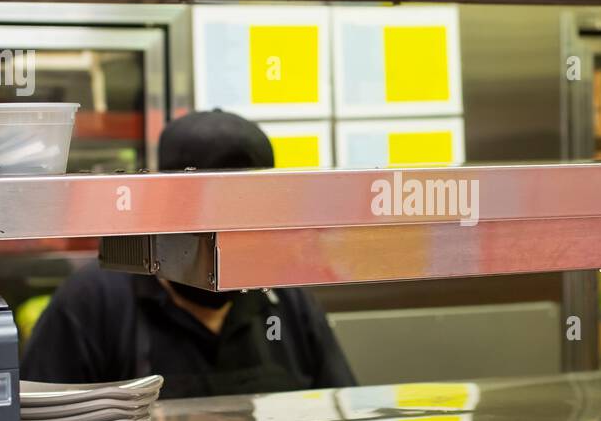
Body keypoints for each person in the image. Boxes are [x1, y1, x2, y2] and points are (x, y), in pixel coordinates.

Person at [20, 111, 355, 398]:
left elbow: (340, 409)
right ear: (168, 209)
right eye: (216, 215)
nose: (233, 237)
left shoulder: (287, 299)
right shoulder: (94, 300)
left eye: (252, 215)